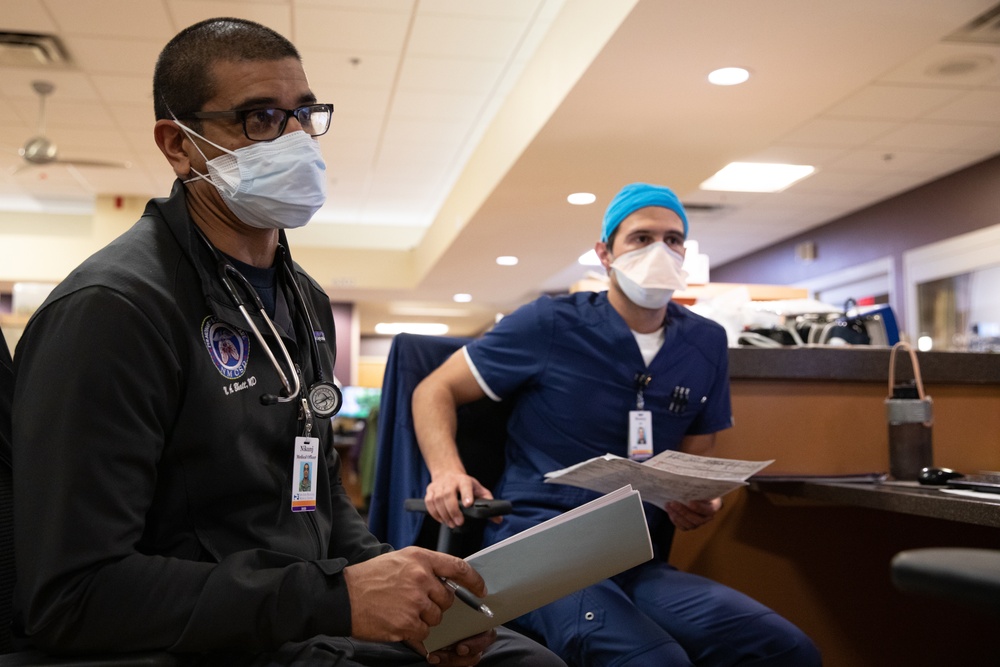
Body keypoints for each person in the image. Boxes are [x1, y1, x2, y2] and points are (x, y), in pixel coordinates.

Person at [8, 17, 564, 667]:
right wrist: (335, 598)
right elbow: (74, 594)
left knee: (523, 656)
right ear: (178, 145)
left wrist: (408, 587)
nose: (296, 138)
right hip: (200, 642)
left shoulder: (302, 299)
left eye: (305, 113)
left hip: (296, 618)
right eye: (259, 118)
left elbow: (317, 496)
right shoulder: (115, 311)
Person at [412, 183, 823, 666]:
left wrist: (692, 494)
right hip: (540, 547)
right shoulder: (549, 323)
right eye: (641, 238)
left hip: (632, 553)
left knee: (784, 648)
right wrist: (447, 471)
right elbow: (432, 390)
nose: (660, 251)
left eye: (673, 240)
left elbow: (698, 445)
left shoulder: (705, 342)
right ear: (605, 253)